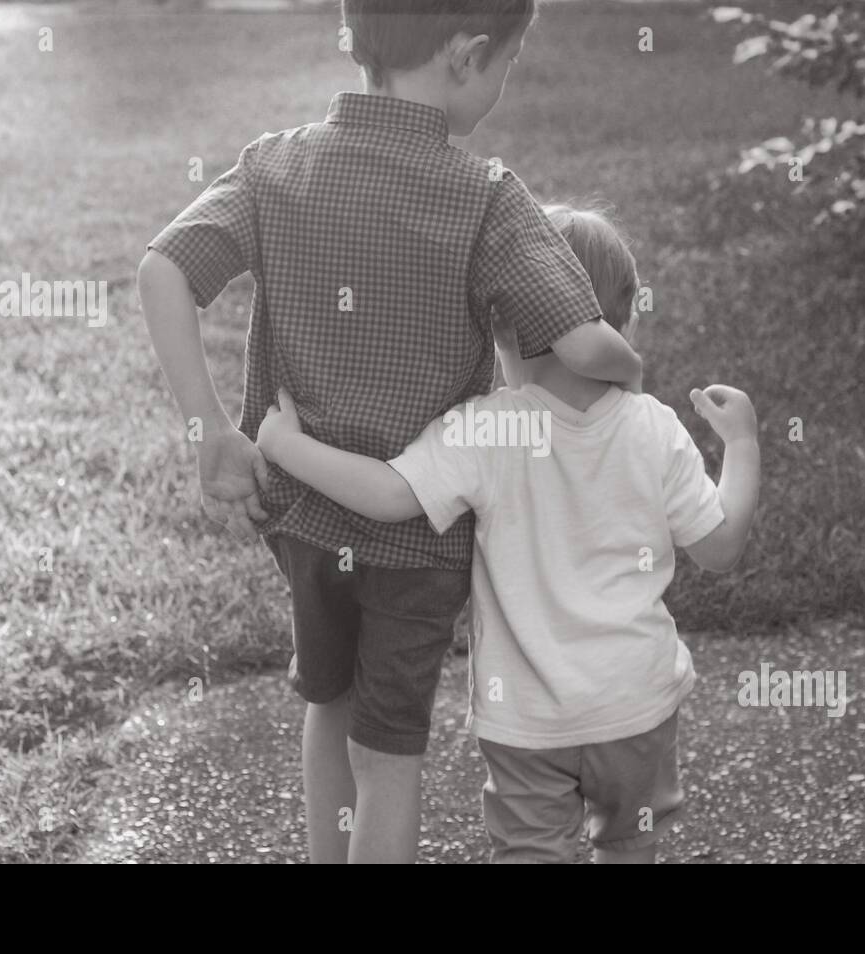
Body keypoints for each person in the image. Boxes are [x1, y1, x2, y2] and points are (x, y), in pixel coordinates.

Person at [136, 1, 642, 864]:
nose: (505, 81)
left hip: (299, 517)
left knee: (327, 702)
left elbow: (163, 270)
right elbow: (578, 337)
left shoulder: (275, 167)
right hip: (420, 536)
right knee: (390, 749)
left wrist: (212, 428)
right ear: (468, 56)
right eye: (509, 65)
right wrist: (629, 367)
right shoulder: (486, 197)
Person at [256, 205, 761, 863]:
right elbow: (720, 549)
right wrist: (743, 444)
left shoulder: (487, 430)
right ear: (628, 321)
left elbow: (387, 495)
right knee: (629, 846)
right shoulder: (654, 428)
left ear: (498, 328)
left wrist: (285, 446)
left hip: (529, 722)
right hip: (637, 706)